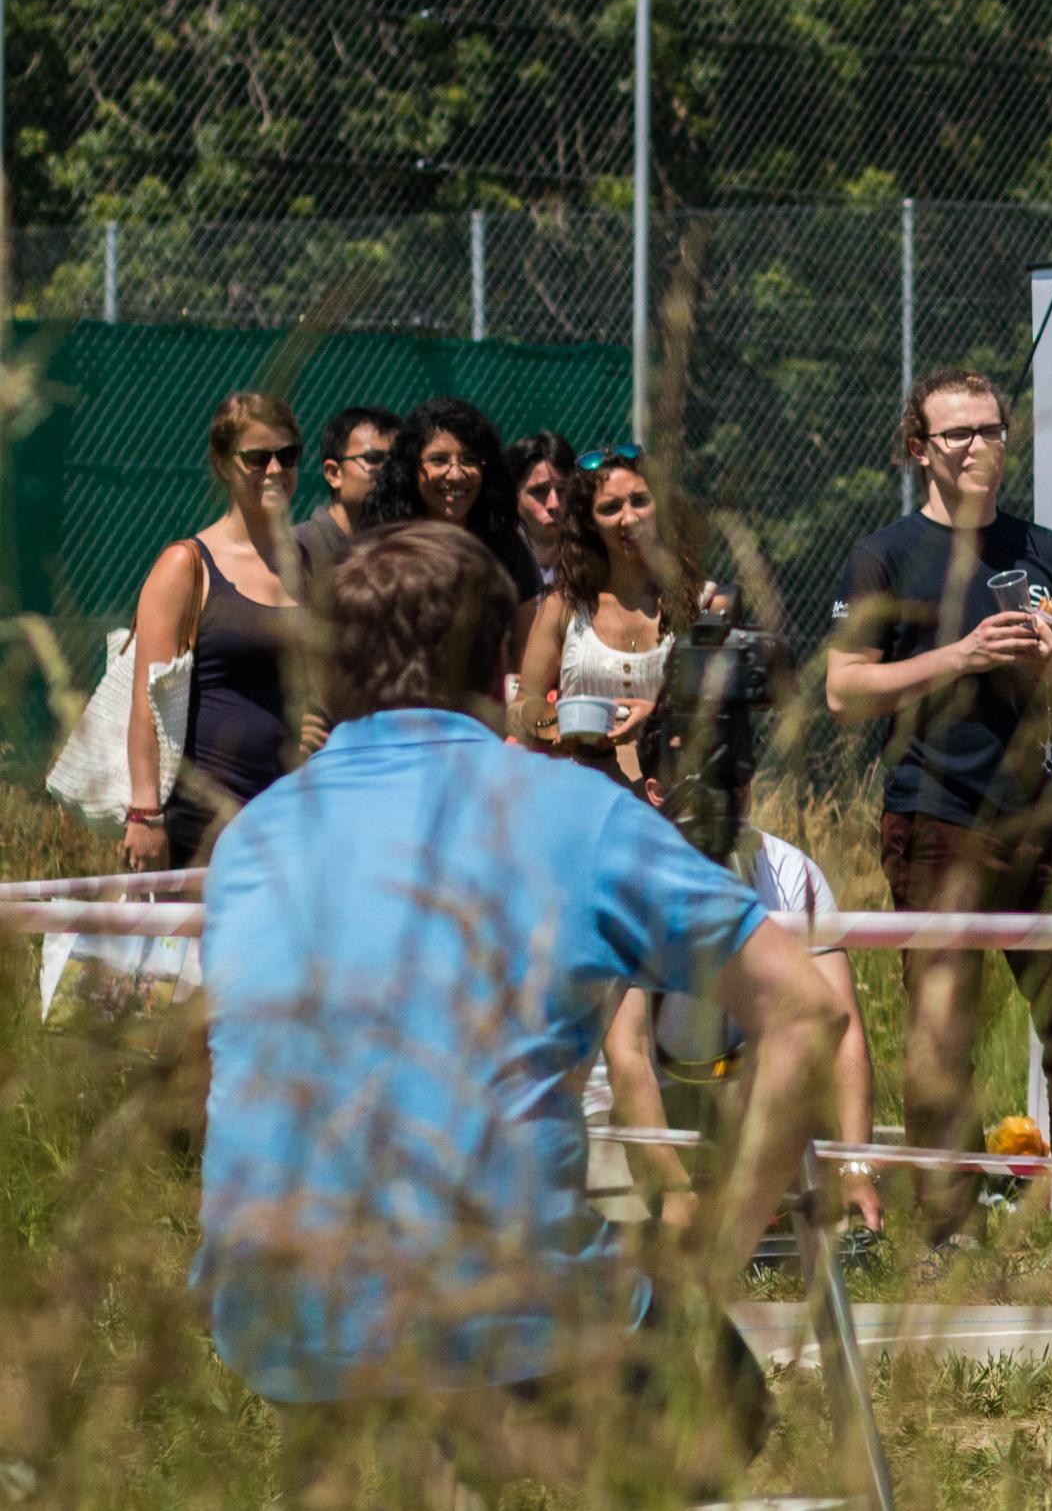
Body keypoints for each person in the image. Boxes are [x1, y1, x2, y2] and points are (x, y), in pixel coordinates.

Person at [197, 521, 843, 1503]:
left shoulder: (251, 836)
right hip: (510, 1311)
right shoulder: (568, 809)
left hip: (275, 1315)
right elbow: (804, 1004)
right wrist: (716, 1249)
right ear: (506, 662)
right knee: (721, 1399)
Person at [822, 367, 1052, 1253]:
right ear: (921, 448)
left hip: (1038, 811)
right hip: (937, 810)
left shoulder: (1044, 549)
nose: (977, 447)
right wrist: (958, 655)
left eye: (990, 429)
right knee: (942, 1030)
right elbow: (843, 691)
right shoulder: (886, 554)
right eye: (956, 433)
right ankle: (946, 1232)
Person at [601, 742, 885, 1239]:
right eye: (702, 788)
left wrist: (855, 1166)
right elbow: (627, 1053)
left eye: (735, 788)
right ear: (655, 793)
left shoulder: (793, 874)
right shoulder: (631, 881)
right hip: (660, 1101)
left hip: (758, 1086)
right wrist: (673, 1191)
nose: (724, 805)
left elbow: (843, 1030)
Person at [120, 392, 306, 872]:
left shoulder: (304, 565)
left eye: (287, 455)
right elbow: (147, 702)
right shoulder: (186, 565)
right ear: (223, 464)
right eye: (256, 457)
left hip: (286, 821)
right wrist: (144, 814)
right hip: (200, 824)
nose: (274, 470)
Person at [516, 445, 693, 780]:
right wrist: (566, 727)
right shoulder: (564, 606)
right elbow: (524, 707)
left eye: (640, 501)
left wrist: (659, 716)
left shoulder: (696, 603)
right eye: (611, 508)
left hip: (672, 804)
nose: (630, 518)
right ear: (591, 523)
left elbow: (720, 714)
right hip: (584, 794)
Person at [370, 397, 544, 600]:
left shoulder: (507, 547)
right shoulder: (382, 551)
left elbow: (528, 628)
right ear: (410, 468)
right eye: (439, 460)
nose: (456, 475)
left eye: (469, 459)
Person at [291, 404, 397, 580]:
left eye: (396, 460)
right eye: (373, 459)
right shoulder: (295, 552)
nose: (389, 470)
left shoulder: (402, 550)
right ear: (333, 473)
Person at [510, 430, 578, 591]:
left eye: (562, 491)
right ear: (513, 496)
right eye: (539, 491)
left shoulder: (592, 569)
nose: (554, 504)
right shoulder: (494, 569)